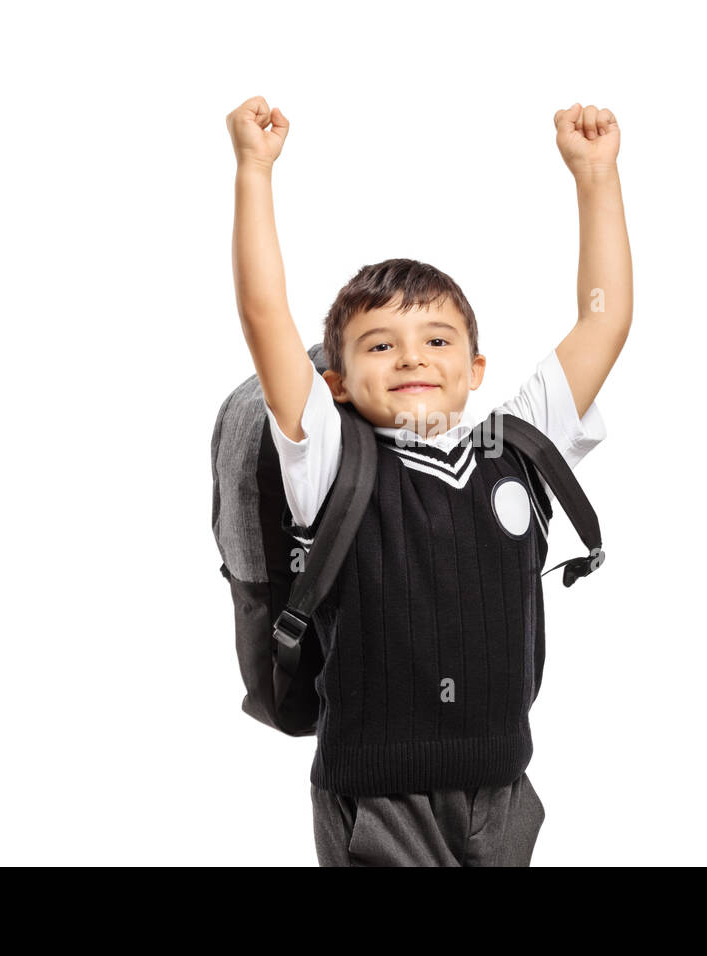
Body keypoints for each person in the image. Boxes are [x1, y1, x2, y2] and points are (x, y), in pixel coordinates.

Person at [227, 95, 632, 866]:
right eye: (379, 344)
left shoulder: (520, 449)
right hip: (378, 801)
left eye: (437, 338)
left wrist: (596, 178)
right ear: (337, 381)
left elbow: (603, 322)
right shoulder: (330, 461)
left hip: (503, 788)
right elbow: (265, 314)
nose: (412, 356)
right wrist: (255, 171)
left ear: (476, 370)